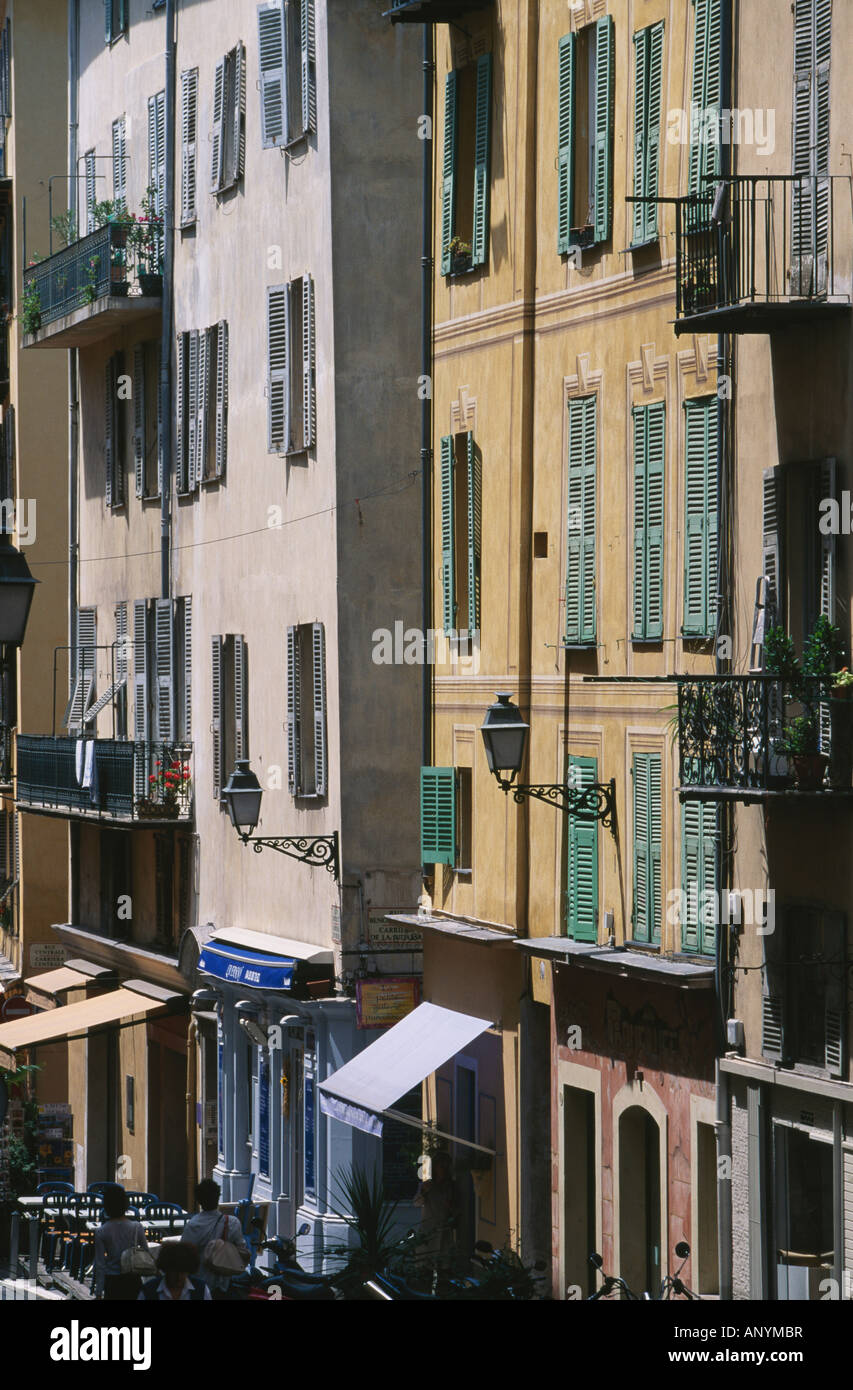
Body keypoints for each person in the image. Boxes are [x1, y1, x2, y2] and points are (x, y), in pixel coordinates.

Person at [180, 1178, 250, 1300]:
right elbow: (241, 1250)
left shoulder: (193, 1225)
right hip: (225, 1283)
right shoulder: (232, 1223)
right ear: (218, 1197)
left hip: (200, 1284)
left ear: (199, 1201)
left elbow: (184, 1255)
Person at [93, 1184, 151, 1301]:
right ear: (126, 1204)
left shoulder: (101, 1231)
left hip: (112, 1280)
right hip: (132, 1277)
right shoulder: (136, 1227)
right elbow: (146, 1252)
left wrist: (98, 1291)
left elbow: (100, 1264)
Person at [413, 1150, 458, 1265]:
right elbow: (417, 1203)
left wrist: (451, 1208)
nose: (442, 1168)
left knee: (443, 1264)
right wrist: (423, 1192)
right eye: (440, 1165)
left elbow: (455, 1210)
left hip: (443, 1232)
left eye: (445, 1165)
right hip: (428, 1230)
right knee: (424, 1264)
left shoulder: (451, 1186)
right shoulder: (427, 1184)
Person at [138, 1240, 211, 1301]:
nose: (178, 1277)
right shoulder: (149, 1290)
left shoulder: (201, 1289)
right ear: (166, 1269)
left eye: (183, 1272)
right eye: (174, 1272)